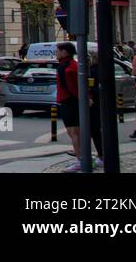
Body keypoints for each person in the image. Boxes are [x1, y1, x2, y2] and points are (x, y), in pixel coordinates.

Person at [56, 42, 103, 173]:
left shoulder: (66, 67)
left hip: (69, 102)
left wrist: (82, 99)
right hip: (73, 101)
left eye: (57, 51)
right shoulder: (73, 65)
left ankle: (81, 160)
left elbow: (71, 88)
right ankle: (84, 159)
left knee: (74, 133)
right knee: (77, 133)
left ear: (65, 52)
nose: (56, 54)